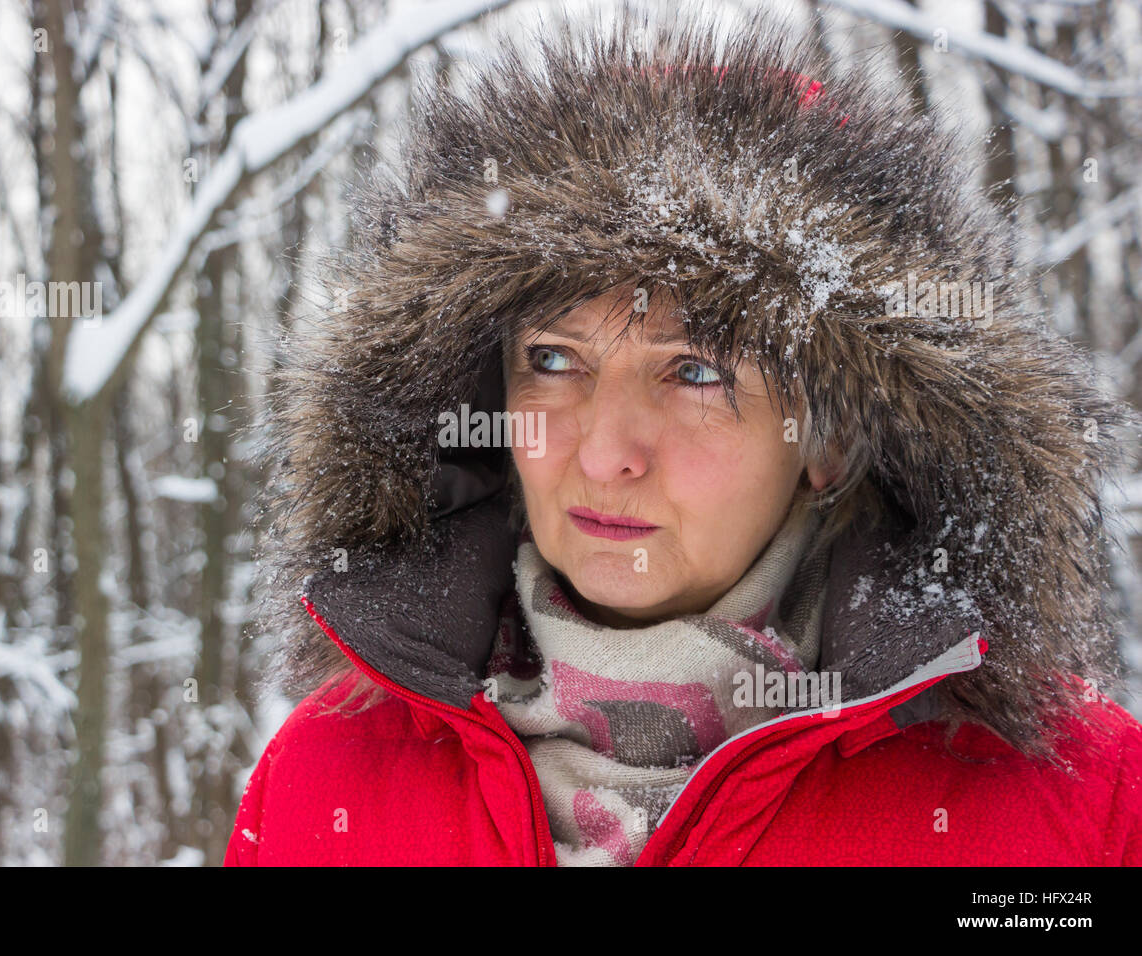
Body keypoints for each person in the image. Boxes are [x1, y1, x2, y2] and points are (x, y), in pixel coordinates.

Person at [226, 8, 1142, 865]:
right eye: (551, 360)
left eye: (696, 372)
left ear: (829, 440)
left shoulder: (1076, 806)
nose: (603, 454)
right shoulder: (323, 782)